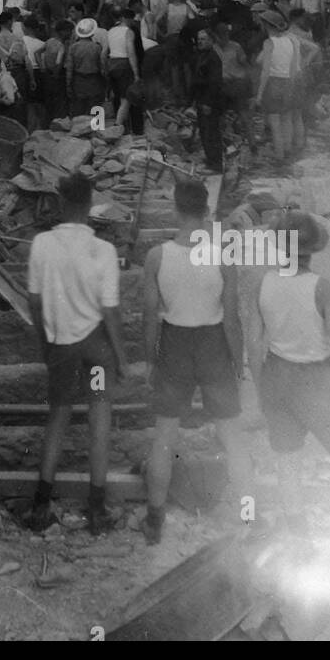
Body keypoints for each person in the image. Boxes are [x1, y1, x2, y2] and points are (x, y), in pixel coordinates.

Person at [247, 210, 330, 537]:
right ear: (312, 249)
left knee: (287, 459)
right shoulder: (323, 288)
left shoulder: (262, 283)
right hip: (317, 378)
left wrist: (263, 388)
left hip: (277, 374)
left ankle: (298, 535)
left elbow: (254, 342)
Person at [141, 178, 253, 545]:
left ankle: (155, 518)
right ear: (207, 212)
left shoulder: (158, 256)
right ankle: (249, 514)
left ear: (175, 209)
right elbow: (233, 317)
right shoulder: (222, 254)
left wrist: (150, 361)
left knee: (164, 434)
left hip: (175, 341)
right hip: (213, 341)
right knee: (232, 434)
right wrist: (239, 364)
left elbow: (148, 316)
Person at [26, 172, 127, 535]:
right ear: (89, 204)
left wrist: (45, 342)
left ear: (60, 202)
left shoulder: (41, 244)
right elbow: (111, 312)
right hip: (97, 348)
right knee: (100, 422)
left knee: (58, 420)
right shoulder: (103, 250)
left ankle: (40, 508)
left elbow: (34, 302)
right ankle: (97, 511)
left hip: (62, 347)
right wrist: (122, 357)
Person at [254, 9, 302, 163]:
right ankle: (287, 150)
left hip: (273, 83)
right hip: (288, 82)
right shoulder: (290, 41)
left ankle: (279, 154)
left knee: (274, 122)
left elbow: (265, 70)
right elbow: (294, 67)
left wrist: (260, 94)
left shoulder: (269, 43)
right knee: (286, 119)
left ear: (266, 26)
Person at [192, 27, 225, 173]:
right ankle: (211, 159)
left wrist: (208, 103)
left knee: (211, 132)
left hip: (209, 101)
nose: (200, 41)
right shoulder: (202, 55)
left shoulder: (212, 58)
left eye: (203, 39)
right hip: (202, 100)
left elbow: (215, 82)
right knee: (205, 132)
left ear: (211, 40)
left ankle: (215, 164)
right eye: (199, 39)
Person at [106, 8, 139, 133]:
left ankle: (123, 127)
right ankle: (117, 126)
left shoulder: (111, 31)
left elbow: (105, 51)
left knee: (118, 96)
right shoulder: (129, 32)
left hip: (111, 63)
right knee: (126, 98)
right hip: (124, 64)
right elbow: (131, 52)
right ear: (128, 19)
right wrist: (136, 73)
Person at [65, 18, 107, 118]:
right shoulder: (97, 47)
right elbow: (102, 67)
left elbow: (69, 69)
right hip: (94, 80)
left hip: (78, 81)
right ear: (92, 34)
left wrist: (68, 84)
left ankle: (79, 129)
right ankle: (97, 129)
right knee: (95, 107)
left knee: (79, 108)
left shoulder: (73, 47)